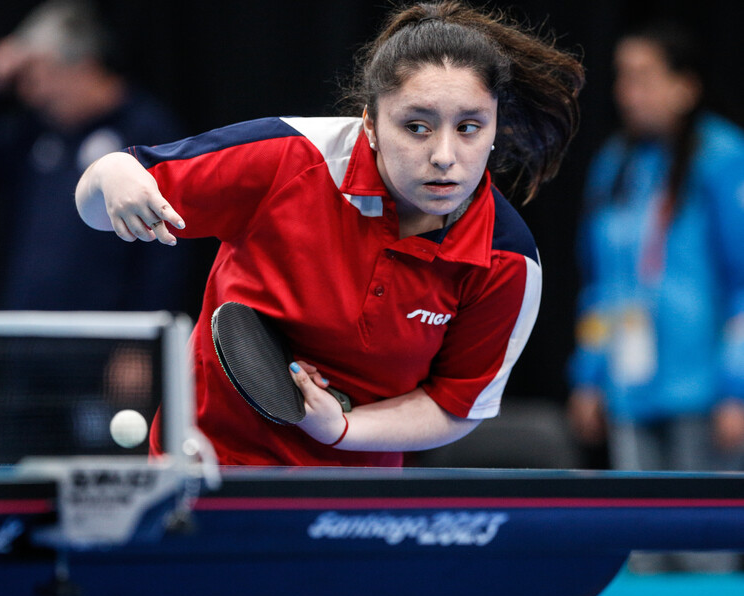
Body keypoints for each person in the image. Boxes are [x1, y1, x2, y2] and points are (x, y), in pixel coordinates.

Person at [75, 1, 584, 467]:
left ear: (494, 127)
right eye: (417, 126)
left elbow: (456, 406)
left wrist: (342, 430)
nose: (445, 156)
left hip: (352, 497)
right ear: (371, 126)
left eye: (469, 127)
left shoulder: (508, 261)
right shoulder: (290, 158)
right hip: (207, 464)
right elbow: (101, 201)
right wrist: (109, 174)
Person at [566, 21, 744, 570]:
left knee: (704, 555)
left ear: (685, 87)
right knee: (641, 553)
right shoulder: (613, 164)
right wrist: (589, 375)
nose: (628, 92)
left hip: (706, 397)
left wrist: (737, 388)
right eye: (623, 77)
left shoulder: (724, 156)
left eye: (644, 76)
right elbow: (600, 288)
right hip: (630, 389)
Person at [0, 0, 212, 315]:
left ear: (84, 67)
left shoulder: (148, 129)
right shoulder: (34, 131)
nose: (33, 93)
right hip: (26, 327)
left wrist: (144, 332)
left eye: (41, 76)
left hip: (109, 331)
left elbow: (169, 245)